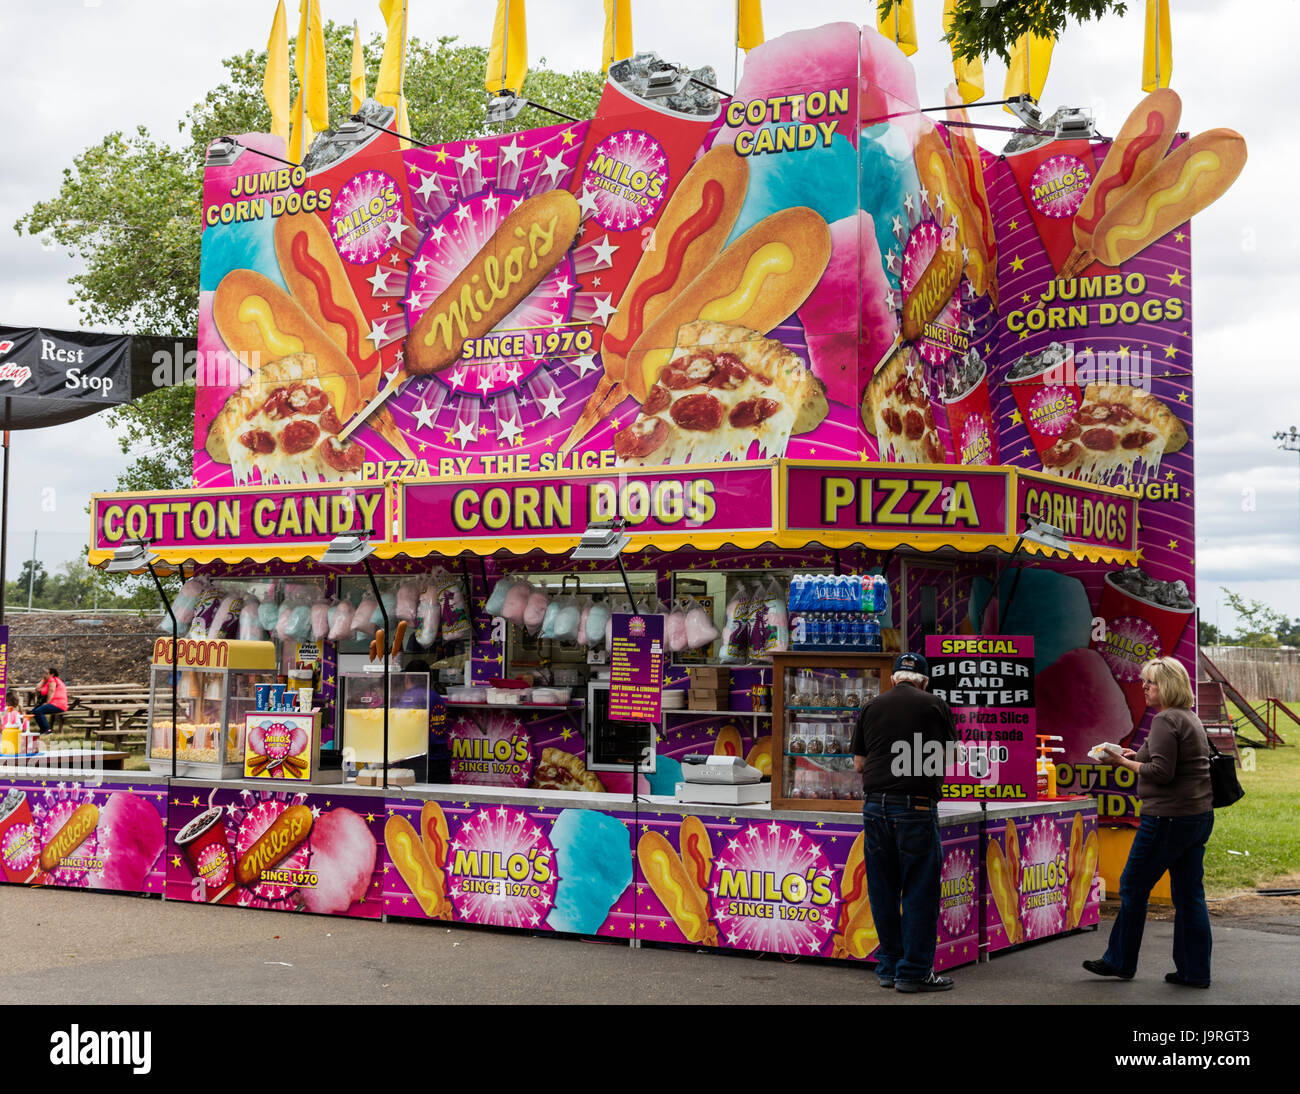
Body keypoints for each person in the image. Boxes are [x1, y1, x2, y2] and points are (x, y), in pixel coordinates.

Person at [1084, 656, 1214, 988]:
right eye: (1144, 681)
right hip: (1196, 816)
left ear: (1168, 685)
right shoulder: (1187, 718)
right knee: (1188, 895)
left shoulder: (1164, 720)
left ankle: (1120, 961)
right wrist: (1127, 755)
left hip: (1167, 818)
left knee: (1132, 886)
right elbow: (1151, 756)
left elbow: (1161, 771)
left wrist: (1118, 762)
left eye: (1151, 682)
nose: (1144, 687)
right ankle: (1194, 970)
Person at [851, 651, 957, 993]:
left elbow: (858, 765)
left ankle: (889, 966)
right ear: (924, 681)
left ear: (893, 678)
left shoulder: (870, 706)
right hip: (917, 809)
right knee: (919, 892)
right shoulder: (935, 705)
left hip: (875, 808)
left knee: (883, 891)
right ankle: (913, 972)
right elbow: (949, 758)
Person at [31, 668, 68, 735]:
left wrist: (47, 703)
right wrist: (43, 680)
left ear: (52, 674)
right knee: (34, 710)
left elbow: (51, 691)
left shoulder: (53, 680)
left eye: (47, 673)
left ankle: (47, 730)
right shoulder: (48, 681)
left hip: (58, 704)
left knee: (38, 711)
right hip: (54, 703)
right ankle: (43, 730)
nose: (45, 675)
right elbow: (37, 689)